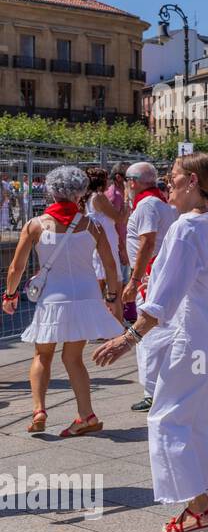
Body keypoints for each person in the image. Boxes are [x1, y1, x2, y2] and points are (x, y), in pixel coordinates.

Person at [93, 154, 208, 532]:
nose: (168, 185)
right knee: (194, 417)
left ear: (191, 181)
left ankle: (201, 505)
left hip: (190, 334)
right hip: (206, 333)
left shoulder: (187, 228)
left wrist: (127, 338)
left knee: (167, 418)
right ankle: (204, 498)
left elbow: (164, 298)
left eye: (172, 178)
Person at [4, 165, 122, 435]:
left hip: (53, 298)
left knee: (42, 355)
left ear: (51, 191)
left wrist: (10, 294)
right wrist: (112, 295)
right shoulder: (91, 225)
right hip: (86, 295)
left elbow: (16, 267)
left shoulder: (35, 225)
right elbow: (110, 266)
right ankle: (86, 415)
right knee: (74, 358)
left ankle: (39, 410)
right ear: (80, 192)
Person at [124, 161, 178, 412]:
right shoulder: (160, 203)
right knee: (158, 332)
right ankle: (160, 386)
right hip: (154, 274)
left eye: (127, 182)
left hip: (149, 276)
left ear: (133, 182)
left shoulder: (147, 205)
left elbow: (147, 242)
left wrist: (135, 280)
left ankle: (152, 390)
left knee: (147, 333)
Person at [85, 166, 126, 291]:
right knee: (113, 284)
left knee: (100, 281)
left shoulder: (88, 197)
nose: (109, 182)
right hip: (105, 241)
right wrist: (128, 200)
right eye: (107, 179)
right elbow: (119, 218)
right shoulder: (99, 196)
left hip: (99, 240)